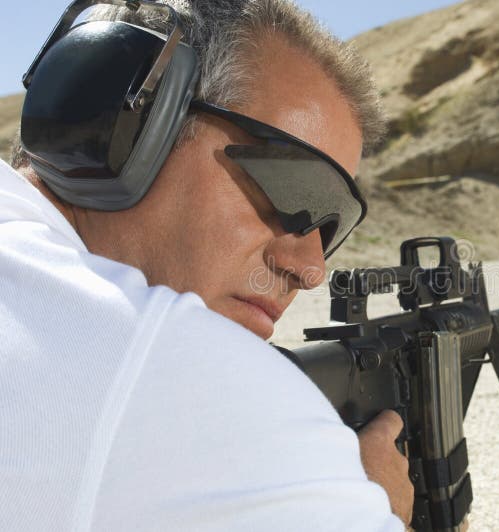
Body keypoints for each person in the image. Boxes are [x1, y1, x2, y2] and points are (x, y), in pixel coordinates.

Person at [0, 0, 413, 530]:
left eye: (333, 224)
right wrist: (387, 508)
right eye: (294, 190)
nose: (310, 268)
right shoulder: (169, 362)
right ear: (123, 129)